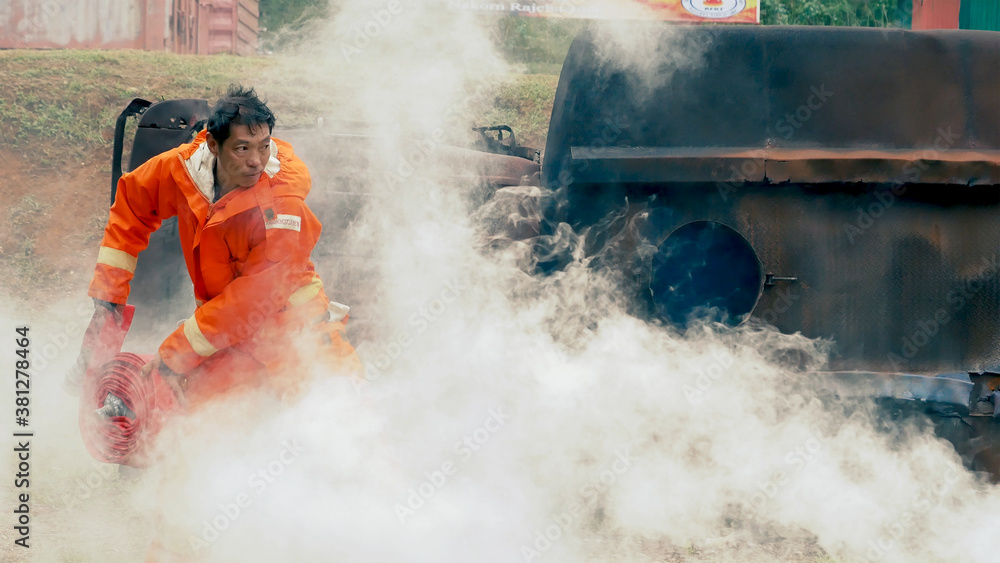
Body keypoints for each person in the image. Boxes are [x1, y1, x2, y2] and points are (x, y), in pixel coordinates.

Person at [71, 84, 360, 409]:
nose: (256, 161)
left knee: (341, 426)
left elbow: (251, 300)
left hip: (297, 336)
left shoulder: (280, 204)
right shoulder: (180, 171)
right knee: (195, 430)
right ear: (213, 145)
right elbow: (132, 207)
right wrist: (110, 300)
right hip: (227, 340)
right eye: (242, 148)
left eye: (264, 146)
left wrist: (174, 355)